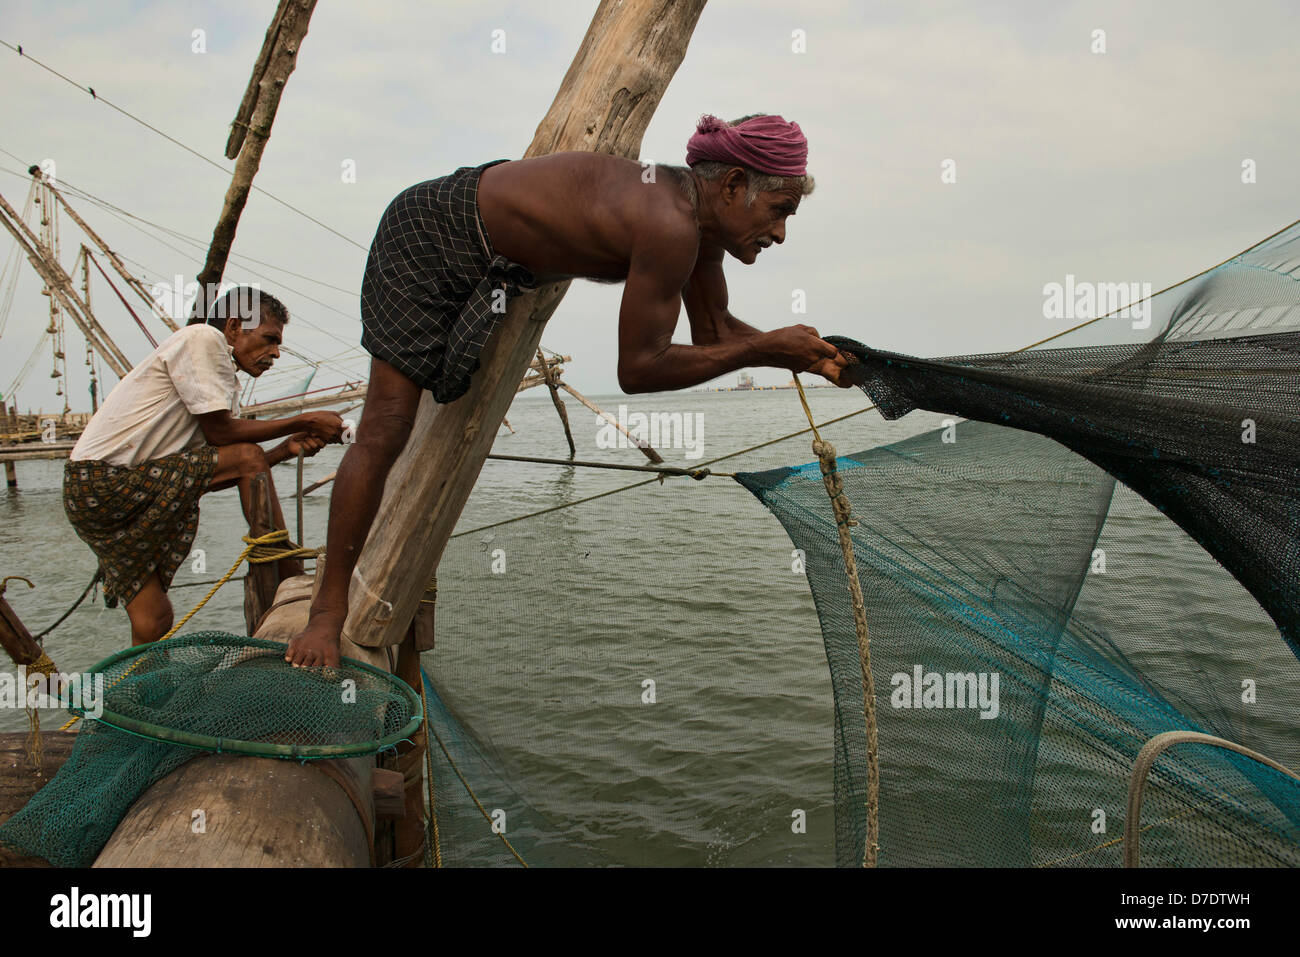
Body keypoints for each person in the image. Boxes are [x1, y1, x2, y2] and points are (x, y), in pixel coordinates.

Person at [288, 112, 851, 667]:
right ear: (732, 185)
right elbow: (640, 369)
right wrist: (769, 349)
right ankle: (325, 615)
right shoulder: (671, 223)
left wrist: (817, 359)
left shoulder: (698, 225)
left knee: (416, 408)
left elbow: (717, 333)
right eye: (779, 211)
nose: (779, 233)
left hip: (495, 258)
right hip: (430, 230)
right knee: (387, 424)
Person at [64, 286, 344, 646]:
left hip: (90, 496)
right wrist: (301, 421)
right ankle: (285, 565)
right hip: (104, 482)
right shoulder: (203, 337)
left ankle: (137, 689)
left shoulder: (224, 383)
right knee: (245, 454)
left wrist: (282, 451)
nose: (275, 353)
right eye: (269, 339)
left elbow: (206, 474)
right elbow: (223, 434)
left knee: (154, 618)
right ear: (232, 327)